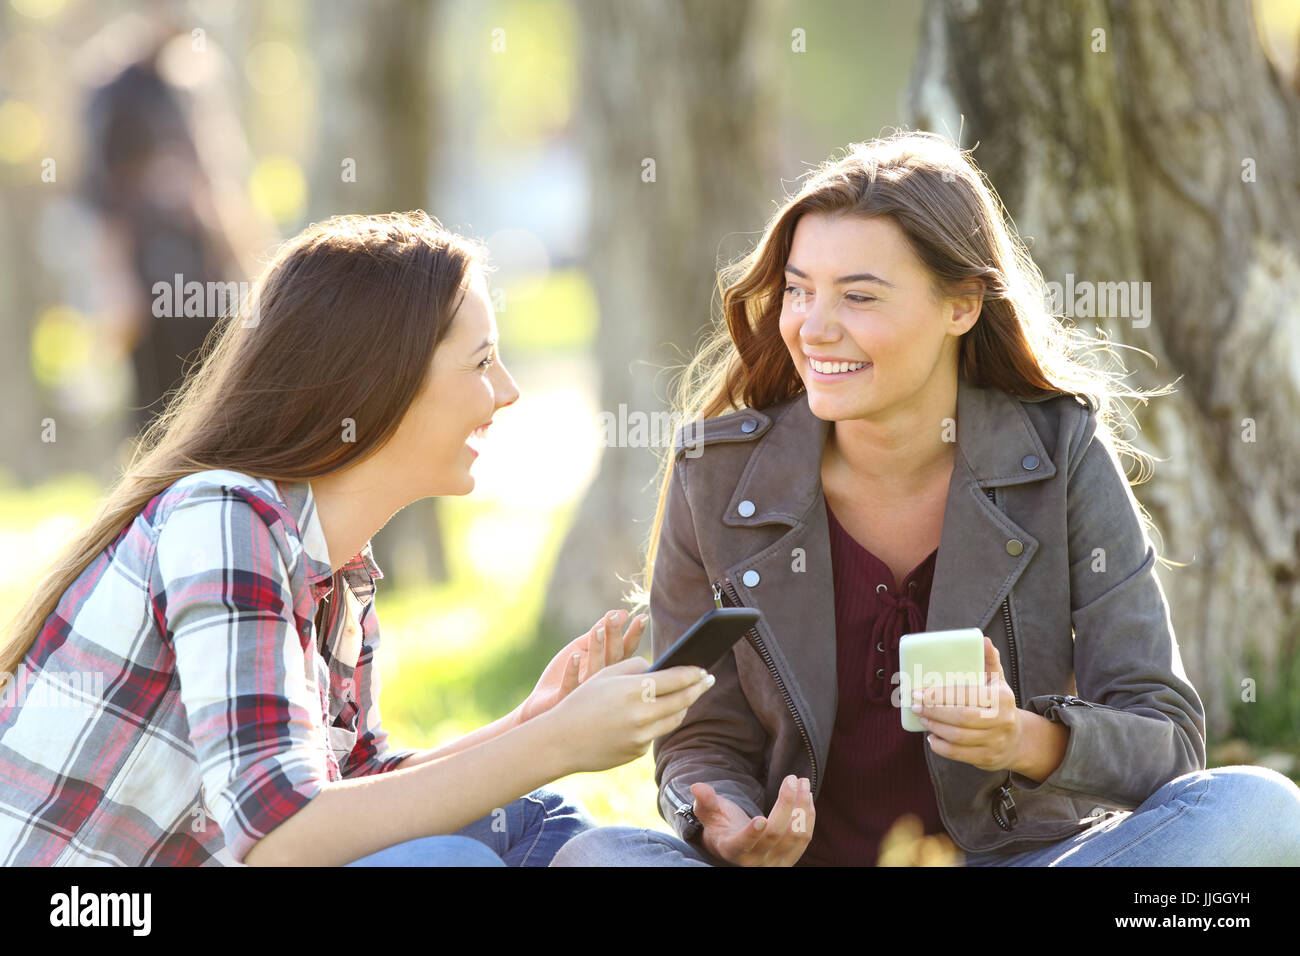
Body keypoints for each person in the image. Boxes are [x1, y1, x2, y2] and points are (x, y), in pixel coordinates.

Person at [550, 132, 1300, 867]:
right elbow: (700, 738)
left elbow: (1167, 739)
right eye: (799, 290)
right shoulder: (714, 475)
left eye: (859, 296)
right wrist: (728, 827)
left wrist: (1022, 740)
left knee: (1258, 809)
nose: (814, 327)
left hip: (1018, 861)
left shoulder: (1059, 455)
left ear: (962, 305)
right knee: (600, 854)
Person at [0, 211, 714, 867]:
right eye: (481, 361)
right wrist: (553, 744)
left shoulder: (338, 569)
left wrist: (530, 722)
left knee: (533, 820)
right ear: (382, 381)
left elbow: (354, 784)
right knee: (449, 863)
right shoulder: (221, 516)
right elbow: (280, 833)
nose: (508, 389)